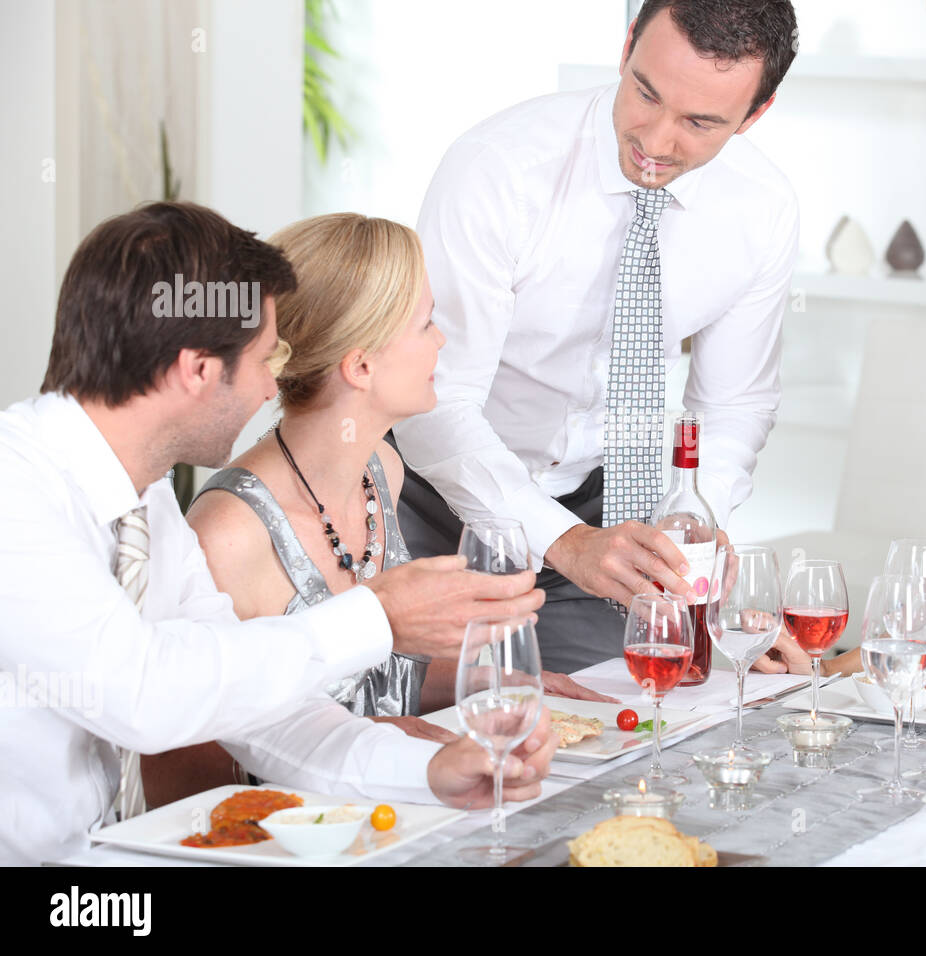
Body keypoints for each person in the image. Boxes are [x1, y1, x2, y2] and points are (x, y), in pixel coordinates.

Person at [0, 202, 555, 866]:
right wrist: (375, 618)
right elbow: (143, 695)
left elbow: (254, 705)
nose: (273, 383)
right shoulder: (16, 496)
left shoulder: (145, 504)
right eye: (266, 357)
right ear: (198, 371)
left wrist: (430, 772)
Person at [390, 0, 810, 673]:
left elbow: (733, 405)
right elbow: (437, 400)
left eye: (700, 122)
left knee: (617, 723)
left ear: (754, 115)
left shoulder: (762, 209)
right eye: (645, 93)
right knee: (427, 730)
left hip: (602, 509)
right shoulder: (498, 168)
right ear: (626, 50)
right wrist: (563, 542)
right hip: (429, 500)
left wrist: (692, 515)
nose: (657, 141)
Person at [146, 213, 611, 806]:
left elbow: (374, 682)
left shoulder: (381, 471)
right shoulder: (229, 531)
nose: (444, 340)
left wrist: (494, 682)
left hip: (395, 809)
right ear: (360, 366)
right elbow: (191, 785)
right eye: (427, 323)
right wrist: (376, 748)